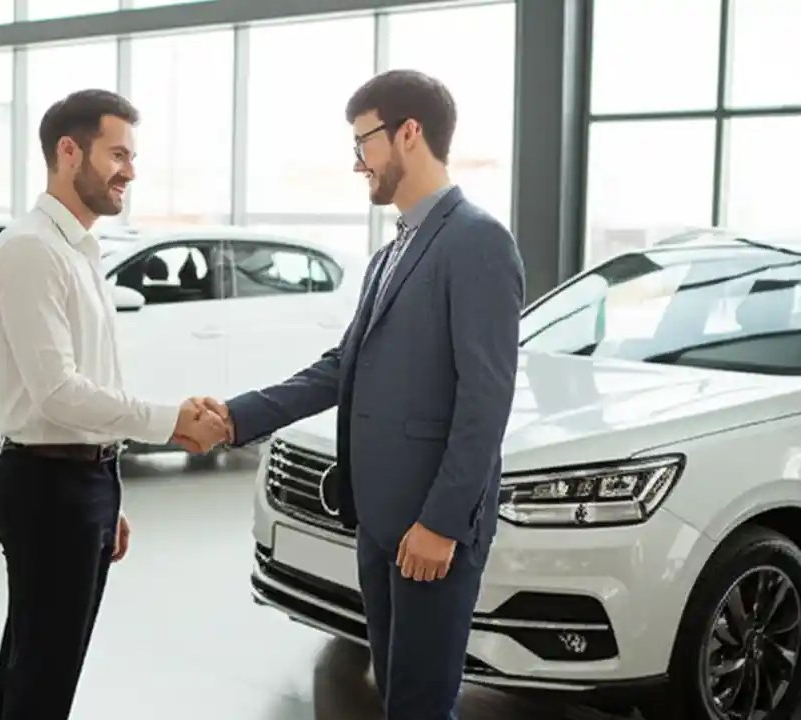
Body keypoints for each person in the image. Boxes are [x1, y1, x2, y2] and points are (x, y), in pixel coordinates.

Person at [196, 69, 524, 718]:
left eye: (363, 142)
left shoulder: (477, 240)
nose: (357, 163)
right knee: (398, 692)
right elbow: (343, 366)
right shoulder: (393, 250)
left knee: (419, 703)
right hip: (380, 520)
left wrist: (441, 522)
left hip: (430, 526)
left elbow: (486, 400)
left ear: (408, 133)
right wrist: (235, 418)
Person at [0, 88, 227, 720]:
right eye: (118, 154)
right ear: (69, 151)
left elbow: (92, 381)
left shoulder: (78, 249)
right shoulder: (34, 249)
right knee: (43, 671)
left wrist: (108, 487)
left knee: (35, 659)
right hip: (48, 483)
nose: (131, 172)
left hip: (78, 478)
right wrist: (170, 422)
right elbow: (57, 393)